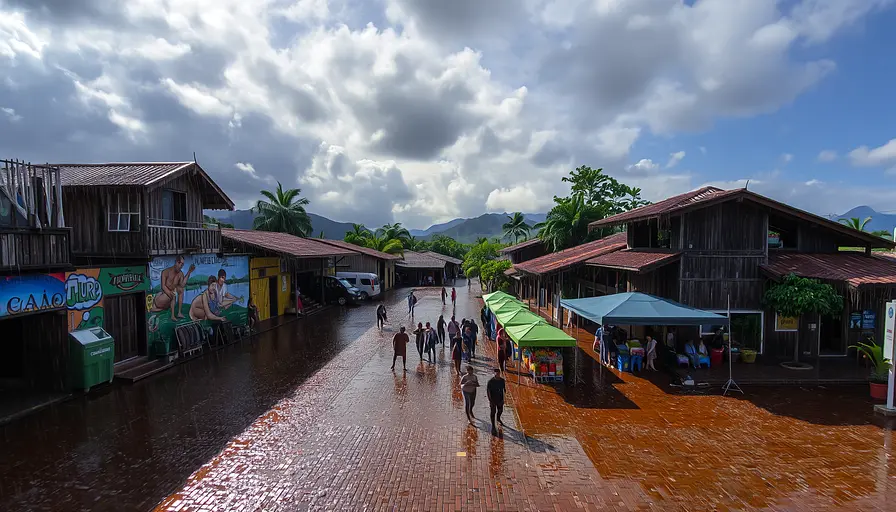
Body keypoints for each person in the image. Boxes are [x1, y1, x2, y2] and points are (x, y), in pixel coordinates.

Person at [151, 256, 196, 320]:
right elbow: (163, 286)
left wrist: (189, 272)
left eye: (183, 264)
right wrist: (170, 293)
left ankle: (179, 313)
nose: (181, 266)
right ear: (176, 263)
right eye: (180, 263)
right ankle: (172, 316)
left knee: (181, 290)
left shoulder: (180, 274)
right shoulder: (166, 272)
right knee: (173, 294)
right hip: (161, 298)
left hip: (169, 301)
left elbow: (182, 284)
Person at [486, 367, 505, 435]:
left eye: (499, 373)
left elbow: (504, 390)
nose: (498, 374)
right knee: (493, 412)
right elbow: (488, 392)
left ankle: (498, 418)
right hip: (493, 400)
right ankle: (493, 426)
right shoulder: (490, 382)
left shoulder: (502, 381)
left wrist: (503, 399)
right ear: (494, 374)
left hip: (500, 399)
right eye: (496, 373)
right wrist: (490, 401)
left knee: (500, 411)